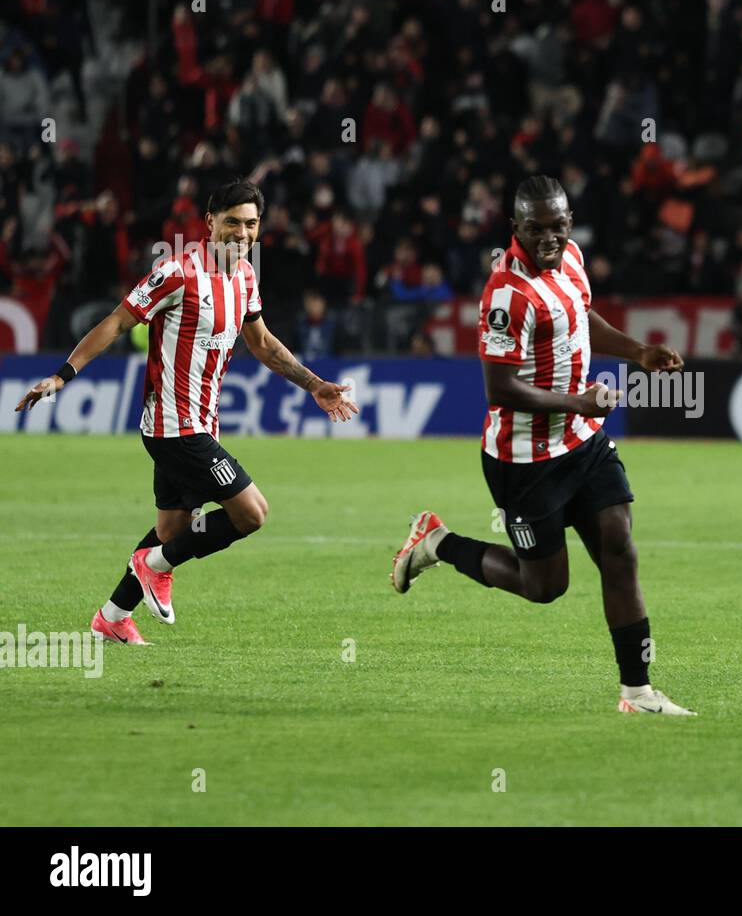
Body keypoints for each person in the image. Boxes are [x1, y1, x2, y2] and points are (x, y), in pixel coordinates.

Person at [388, 175, 695, 715]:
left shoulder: (573, 258)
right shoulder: (507, 293)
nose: (550, 238)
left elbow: (580, 321)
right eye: (536, 229)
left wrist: (638, 351)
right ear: (516, 229)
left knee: (620, 551)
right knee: (545, 587)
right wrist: (578, 402)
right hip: (525, 459)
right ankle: (437, 543)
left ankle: (638, 692)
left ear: (570, 223)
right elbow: (499, 387)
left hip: (582, 442)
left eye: (558, 226)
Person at [13, 180, 357, 644]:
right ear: (210, 220)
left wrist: (314, 384)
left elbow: (262, 343)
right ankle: (153, 566)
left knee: (172, 529)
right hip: (173, 426)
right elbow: (117, 320)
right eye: (232, 221)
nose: (241, 233)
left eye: (250, 224)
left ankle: (112, 617)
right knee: (251, 513)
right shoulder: (176, 270)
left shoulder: (246, 277)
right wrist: (62, 375)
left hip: (200, 422)